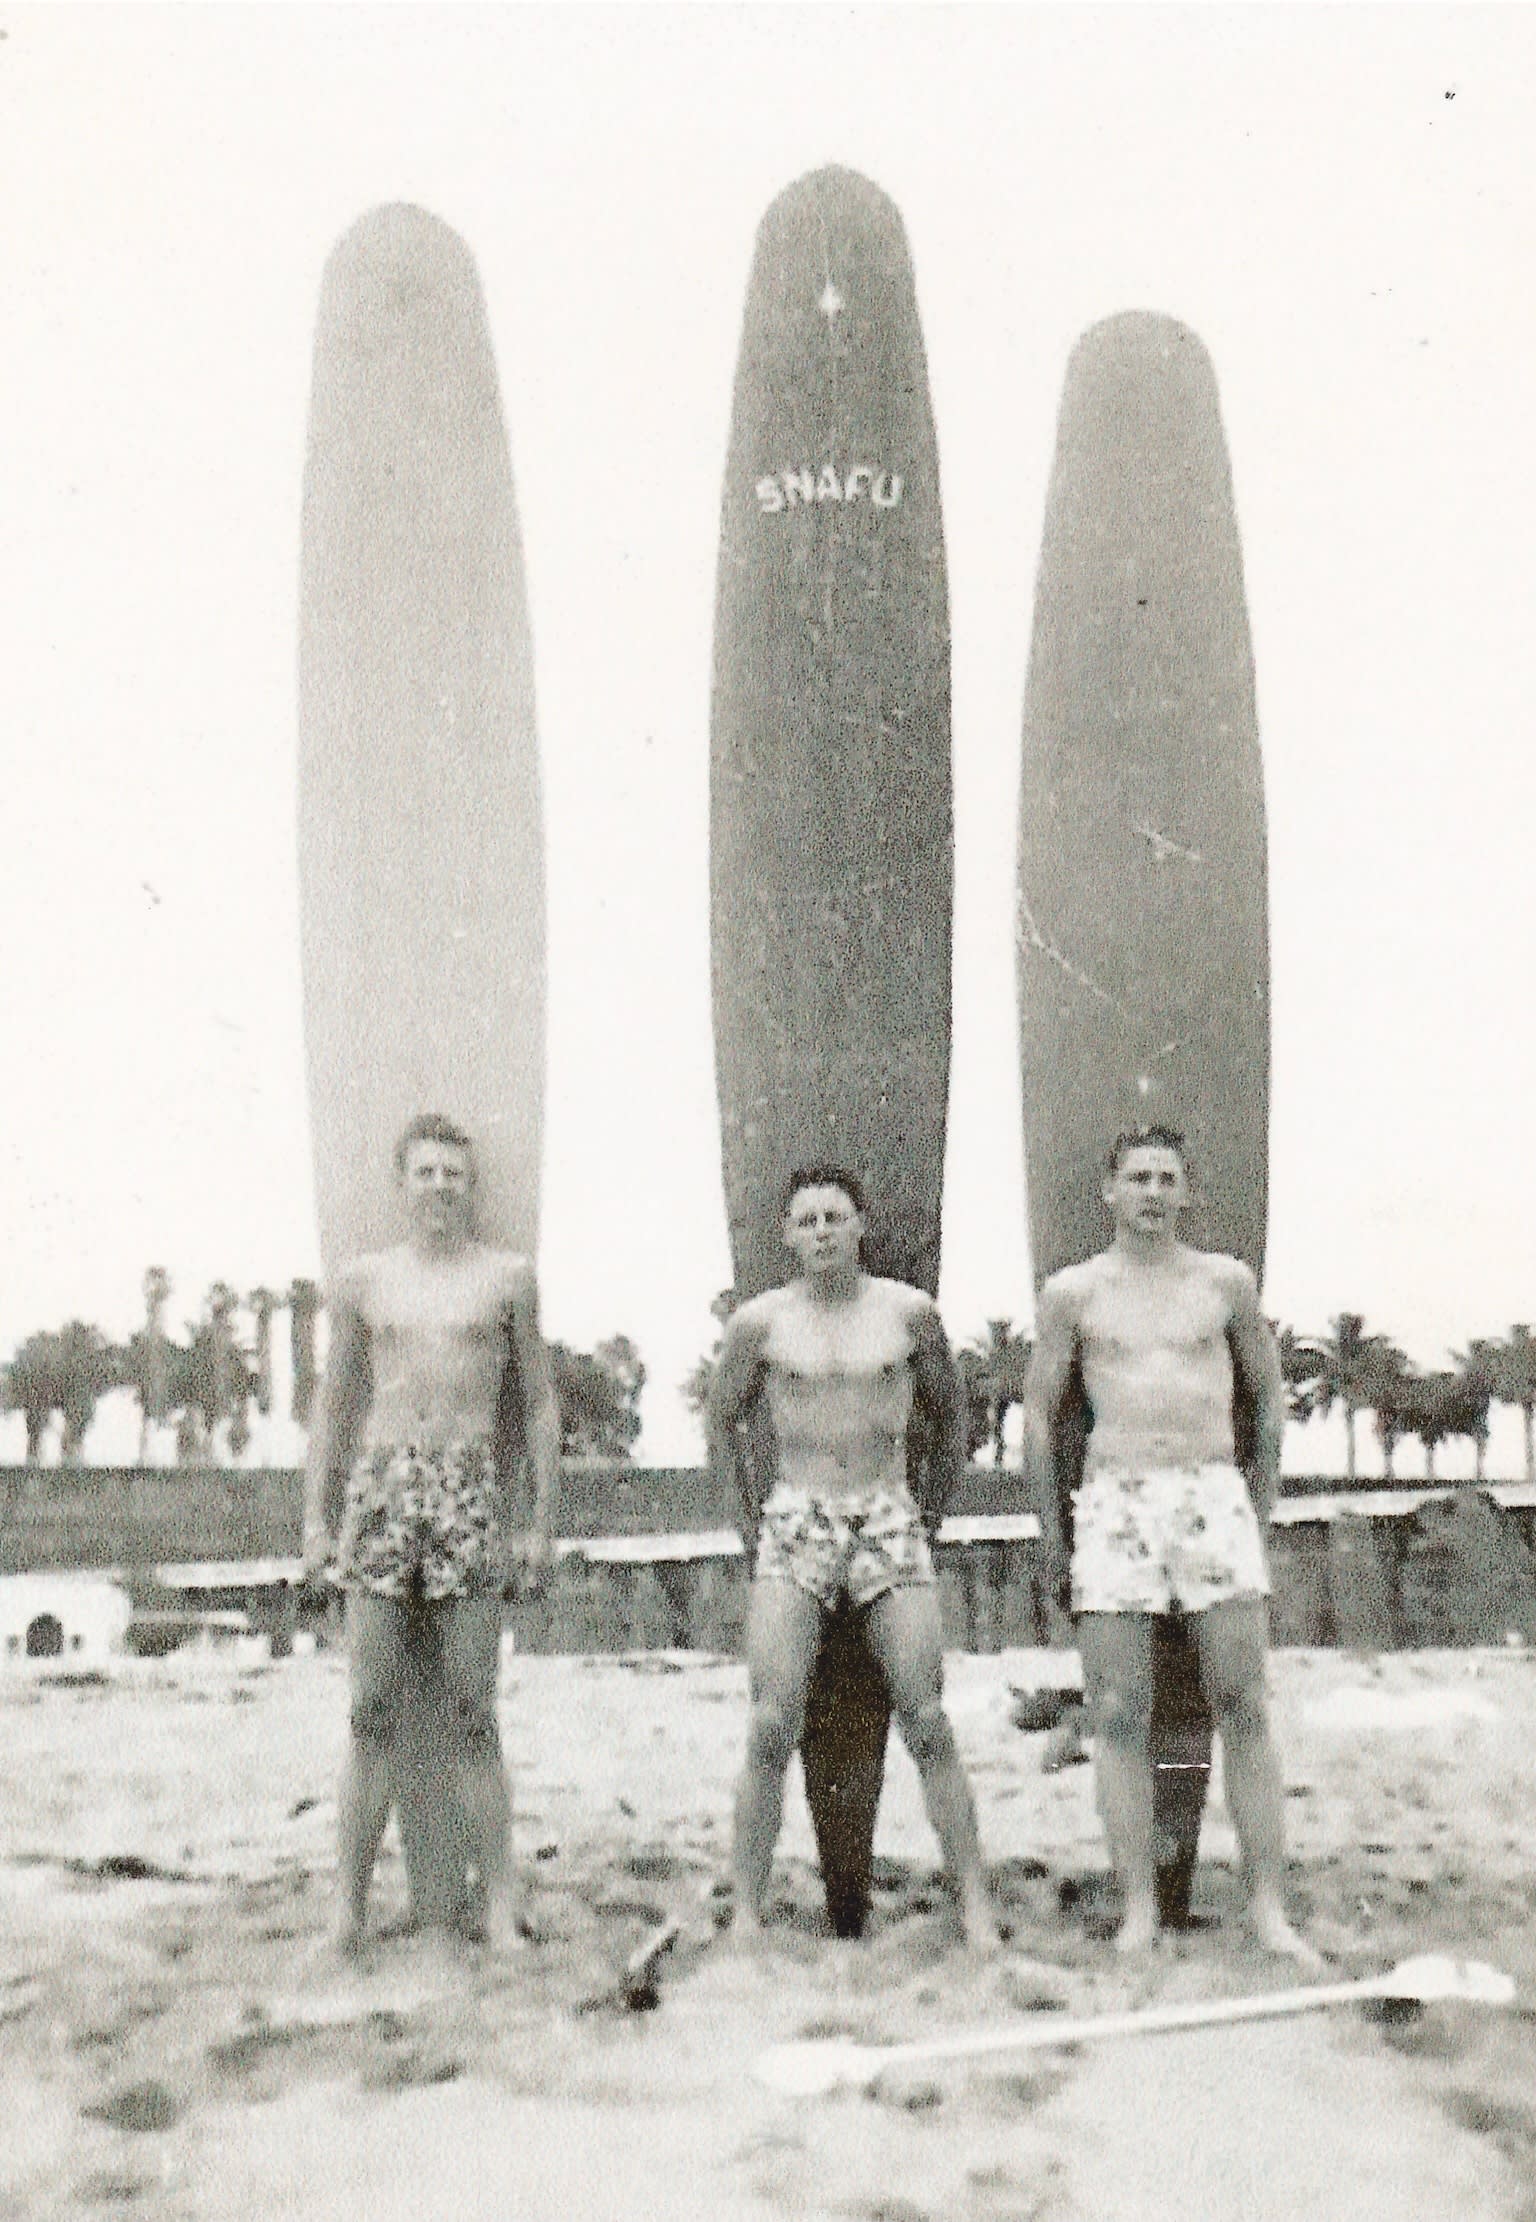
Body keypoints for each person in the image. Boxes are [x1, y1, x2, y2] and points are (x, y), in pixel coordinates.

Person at [1020, 1125, 1316, 1963]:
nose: (1153, 1192)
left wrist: (1255, 1507)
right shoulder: (1073, 1294)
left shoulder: (1223, 1284)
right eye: (1137, 1178)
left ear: (1186, 1193)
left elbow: (1266, 1401)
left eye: (1167, 1178)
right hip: (1115, 1499)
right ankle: (1140, 1910)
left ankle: (1267, 1908)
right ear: (1108, 1192)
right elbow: (1043, 1417)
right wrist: (1055, 1532)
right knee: (1117, 1714)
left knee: (1244, 1705)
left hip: (1208, 1493)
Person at [708, 1165, 1000, 1951]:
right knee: (771, 1721)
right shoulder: (761, 1324)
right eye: (806, 1222)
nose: (822, 1233)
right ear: (787, 1236)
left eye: (835, 1217)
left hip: (885, 1509)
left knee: (928, 1717)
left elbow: (950, 1417)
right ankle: (744, 1909)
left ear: (860, 1225)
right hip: (798, 1513)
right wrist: (751, 1525)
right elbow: (722, 1421)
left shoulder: (907, 1314)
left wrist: (926, 1514)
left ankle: (974, 1904)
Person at [301, 1112, 560, 1958]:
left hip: (468, 1488)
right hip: (381, 1490)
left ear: (470, 1185)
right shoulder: (366, 1280)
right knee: (370, 1707)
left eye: (454, 1173)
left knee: (473, 1711)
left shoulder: (508, 1278)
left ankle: (498, 1903)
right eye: (426, 1172)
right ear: (402, 1183)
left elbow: (538, 1403)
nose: (441, 1186)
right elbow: (334, 1404)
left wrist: (539, 1521)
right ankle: (347, 1907)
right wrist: (315, 1518)